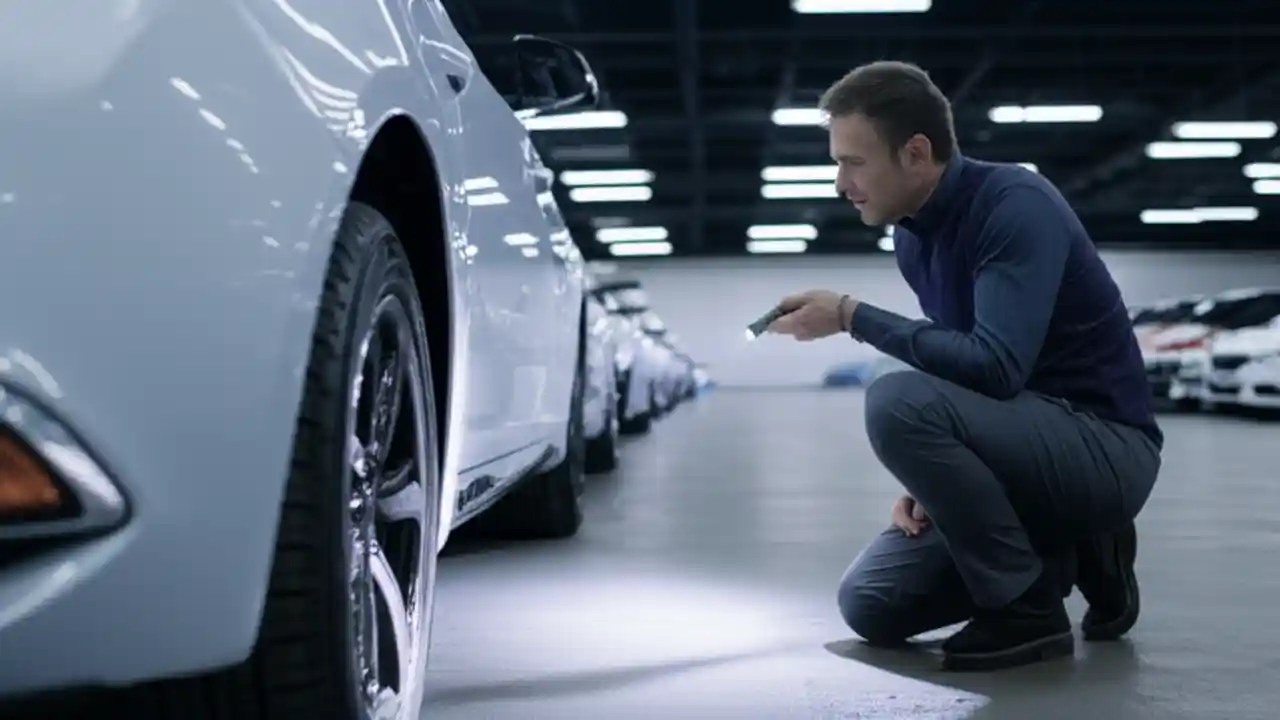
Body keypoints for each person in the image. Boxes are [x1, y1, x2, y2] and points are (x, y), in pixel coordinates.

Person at [766, 61, 1163, 671]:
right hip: (1026, 446)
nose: (841, 183)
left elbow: (997, 366)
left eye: (853, 162)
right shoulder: (910, 236)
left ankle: (1028, 609)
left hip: (1105, 447)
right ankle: (1075, 549)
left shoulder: (1014, 204)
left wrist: (851, 315)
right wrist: (932, 477)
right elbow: (960, 371)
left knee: (894, 398)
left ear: (916, 153)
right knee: (872, 604)